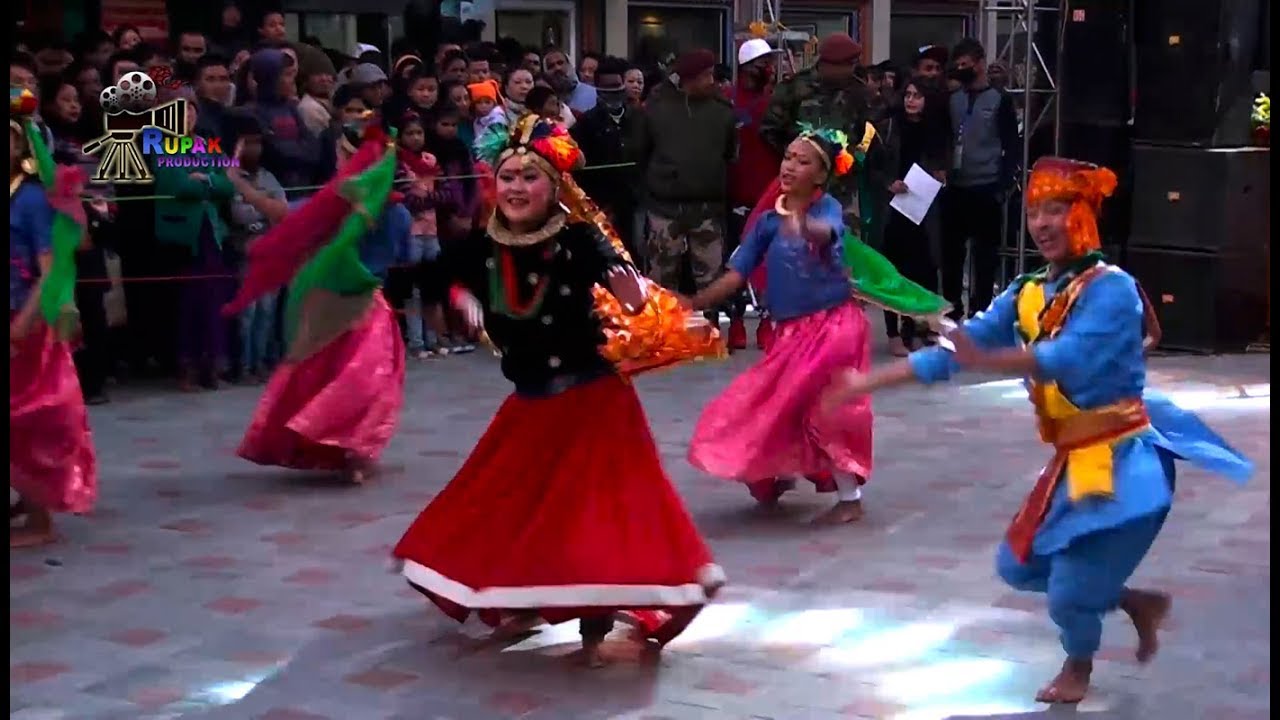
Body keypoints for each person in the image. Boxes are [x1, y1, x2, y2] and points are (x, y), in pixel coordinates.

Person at [823, 157, 1254, 704]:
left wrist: (986, 360)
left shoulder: (1113, 290)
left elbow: (1064, 358)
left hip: (1126, 462)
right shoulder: (1027, 291)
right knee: (1019, 566)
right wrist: (867, 382)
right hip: (1073, 457)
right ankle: (1133, 602)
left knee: (1070, 593)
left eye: (1056, 209)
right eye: (1033, 212)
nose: (1043, 224)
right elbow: (963, 347)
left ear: (1084, 215)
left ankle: (1079, 665)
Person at [393, 115, 724, 667]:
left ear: (555, 186)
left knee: (596, 508)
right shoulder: (481, 245)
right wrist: (459, 297)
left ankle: (597, 613)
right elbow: (437, 276)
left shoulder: (576, 236)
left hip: (594, 400)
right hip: (530, 400)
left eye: (531, 176)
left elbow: (617, 270)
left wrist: (633, 290)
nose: (518, 187)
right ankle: (519, 590)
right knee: (500, 497)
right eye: (508, 177)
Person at [684, 125, 947, 523]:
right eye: (788, 157)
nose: (789, 166)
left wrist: (806, 228)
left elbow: (828, 235)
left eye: (802, 161)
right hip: (790, 332)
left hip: (832, 327)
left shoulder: (826, 211)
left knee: (827, 408)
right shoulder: (769, 222)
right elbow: (736, 274)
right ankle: (781, 471)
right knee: (774, 402)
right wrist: (695, 302)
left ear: (821, 175)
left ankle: (849, 497)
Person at [226, 117, 409, 484]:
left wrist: (237, 182)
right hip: (365, 306)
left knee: (331, 379)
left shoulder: (335, 207)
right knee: (360, 384)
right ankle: (351, 451)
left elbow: (280, 215)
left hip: (333, 306)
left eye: (343, 154)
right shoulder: (396, 211)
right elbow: (402, 256)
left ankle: (339, 448)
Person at [10, 89, 98, 547]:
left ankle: (41, 520)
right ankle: (28, 501)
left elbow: (49, 271)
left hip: (26, 320)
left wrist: (23, 322)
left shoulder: (30, 200)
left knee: (27, 416)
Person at [634, 49, 736, 328]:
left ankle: (709, 331)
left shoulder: (722, 112)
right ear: (688, 78)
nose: (711, 81)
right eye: (705, 76)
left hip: (707, 208)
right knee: (661, 275)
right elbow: (641, 153)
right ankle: (661, 332)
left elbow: (729, 155)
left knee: (710, 277)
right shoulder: (656, 108)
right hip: (664, 207)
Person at [941, 37, 1020, 320]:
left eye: (966, 64)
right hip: (956, 187)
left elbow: (1011, 143)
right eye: (958, 65)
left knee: (985, 256)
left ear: (980, 63)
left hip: (986, 186)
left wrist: (1004, 185)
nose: (962, 69)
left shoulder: (1000, 99)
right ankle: (951, 309)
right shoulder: (954, 99)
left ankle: (980, 310)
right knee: (951, 256)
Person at [875, 78, 951, 356]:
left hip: (923, 209)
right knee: (891, 270)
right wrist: (889, 183)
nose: (911, 100)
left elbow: (945, 162)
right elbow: (872, 164)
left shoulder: (936, 130)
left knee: (922, 269)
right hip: (895, 208)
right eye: (907, 94)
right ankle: (893, 332)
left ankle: (915, 329)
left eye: (917, 95)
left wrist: (941, 174)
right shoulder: (890, 126)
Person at [728, 38, 783, 351]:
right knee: (737, 260)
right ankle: (736, 321)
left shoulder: (777, 102)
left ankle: (766, 321)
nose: (770, 69)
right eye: (764, 63)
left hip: (772, 192)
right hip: (736, 192)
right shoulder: (727, 99)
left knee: (770, 261)